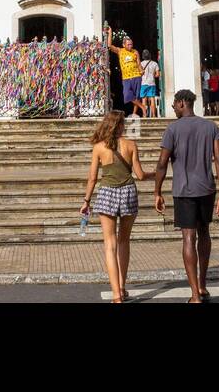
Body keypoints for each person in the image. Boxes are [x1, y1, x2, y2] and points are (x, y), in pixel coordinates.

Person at [154, 89, 219, 303]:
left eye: (175, 104)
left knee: (188, 237)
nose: (173, 108)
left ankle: (194, 294)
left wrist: (157, 191)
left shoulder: (172, 129)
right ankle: (202, 286)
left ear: (182, 103)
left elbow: (161, 163)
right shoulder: (210, 126)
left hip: (183, 190)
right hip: (207, 188)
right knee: (204, 233)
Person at [82, 111, 149, 302]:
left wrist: (86, 201)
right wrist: (155, 174)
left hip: (107, 193)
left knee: (109, 245)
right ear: (120, 126)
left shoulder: (99, 147)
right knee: (123, 241)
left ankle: (116, 295)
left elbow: (92, 178)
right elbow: (140, 175)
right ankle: (122, 285)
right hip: (128, 191)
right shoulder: (130, 144)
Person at [108, 29, 143, 114]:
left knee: (136, 97)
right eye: (128, 44)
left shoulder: (135, 52)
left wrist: (141, 70)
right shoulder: (120, 51)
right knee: (127, 96)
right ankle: (143, 107)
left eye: (131, 44)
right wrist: (110, 33)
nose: (130, 46)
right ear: (123, 45)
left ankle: (135, 113)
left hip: (136, 76)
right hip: (126, 78)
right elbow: (109, 46)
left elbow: (138, 63)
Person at [138, 49, 161, 118]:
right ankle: (154, 115)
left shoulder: (141, 64)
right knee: (152, 99)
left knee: (144, 100)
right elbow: (157, 75)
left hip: (143, 84)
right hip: (152, 83)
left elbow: (139, 74)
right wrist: (152, 75)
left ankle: (144, 115)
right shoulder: (155, 63)